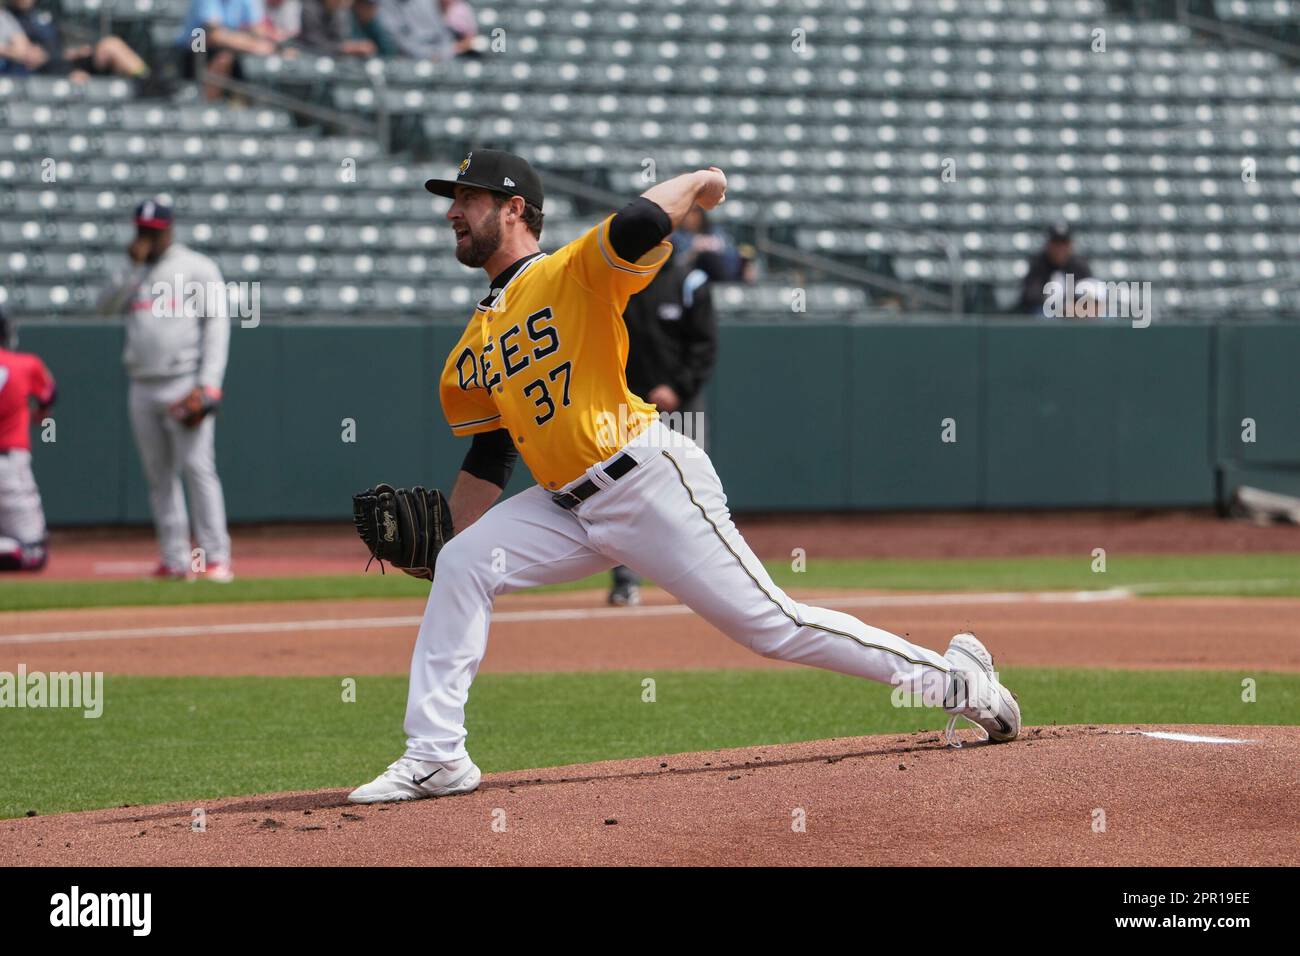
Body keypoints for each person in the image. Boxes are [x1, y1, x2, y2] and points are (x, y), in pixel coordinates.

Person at [346, 150, 1021, 803]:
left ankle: (958, 682)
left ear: (514, 208)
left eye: (467, 198)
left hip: (646, 480)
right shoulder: (475, 341)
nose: (453, 213)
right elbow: (490, 454)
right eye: (453, 201)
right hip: (563, 507)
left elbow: (638, 223)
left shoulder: (570, 271)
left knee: (772, 626)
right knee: (466, 562)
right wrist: (441, 548)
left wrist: (699, 180)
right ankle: (436, 756)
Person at [98, 200, 234, 583]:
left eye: (153, 231)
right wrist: (130, 267)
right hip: (142, 382)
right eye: (142, 230)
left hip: (183, 381)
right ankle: (175, 559)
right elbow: (103, 307)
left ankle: (217, 558)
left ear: (168, 230)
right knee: (159, 476)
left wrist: (209, 385)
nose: (146, 237)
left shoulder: (197, 267)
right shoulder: (134, 271)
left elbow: (217, 327)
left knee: (197, 468)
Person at [607, 241, 717, 606]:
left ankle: (703, 578)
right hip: (629, 404)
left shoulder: (690, 282)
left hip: (683, 404)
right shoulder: (621, 283)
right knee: (623, 492)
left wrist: (677, 388)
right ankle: (625, 580)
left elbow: (704, 346)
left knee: (693, 489)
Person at [0, 308, 56, 572]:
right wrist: (44, 422)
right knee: (34, 552)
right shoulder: (25, 363)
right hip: (10, 465)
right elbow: (49, 396)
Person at [5, 0, 149, 83]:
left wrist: (80, 48)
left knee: (111, 45)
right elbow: (24, 52)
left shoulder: (48, 7)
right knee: (79, 80)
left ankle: (146, 81)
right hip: (46, 70)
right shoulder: (8, 17)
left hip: (65, 57)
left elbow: (64, 33)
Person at [176, 0, 278, 99]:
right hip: (194, 52)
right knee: (223, 57)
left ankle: (245, 103)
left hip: (231, 51)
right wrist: (252, 45)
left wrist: (272, 45)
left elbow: (258, 30)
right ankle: (207, 105)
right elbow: (214, 36)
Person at [1017, 222, 1093, 315]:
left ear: (1070, 245)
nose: (1060, 249)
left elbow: (1091, 295)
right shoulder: (1038, 265)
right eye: (1056, 243)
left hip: (1075, 314)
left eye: (1064, 244)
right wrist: (1060, 307)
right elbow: (1031, 296)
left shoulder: (1079, 266)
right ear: (1048, 245)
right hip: (1046, 313)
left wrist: (1074, 307)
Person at [670, 205, 743, 282]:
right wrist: (693, 252)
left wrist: (717, 246)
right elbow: (672, 265)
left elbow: (734, 256)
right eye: (687, 211)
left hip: (718, 280)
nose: (690, 217)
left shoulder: (715, 231)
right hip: (686, 280)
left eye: (695, 211)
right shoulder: (675, 236)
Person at [375, 0, 451, 61]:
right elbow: (397, 40)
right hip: (407, 61)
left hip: (440, 58)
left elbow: (443, 34)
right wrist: (429, 55)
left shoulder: (427, 3)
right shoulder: (385, 5)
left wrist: (443, 53)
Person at [299, 0, 375, 56]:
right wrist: (344, 48)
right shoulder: (310, 8)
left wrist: (356, 47)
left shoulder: (341, 12)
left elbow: (341, 39)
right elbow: (313, 44)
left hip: (335, 60)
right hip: (309, 57)